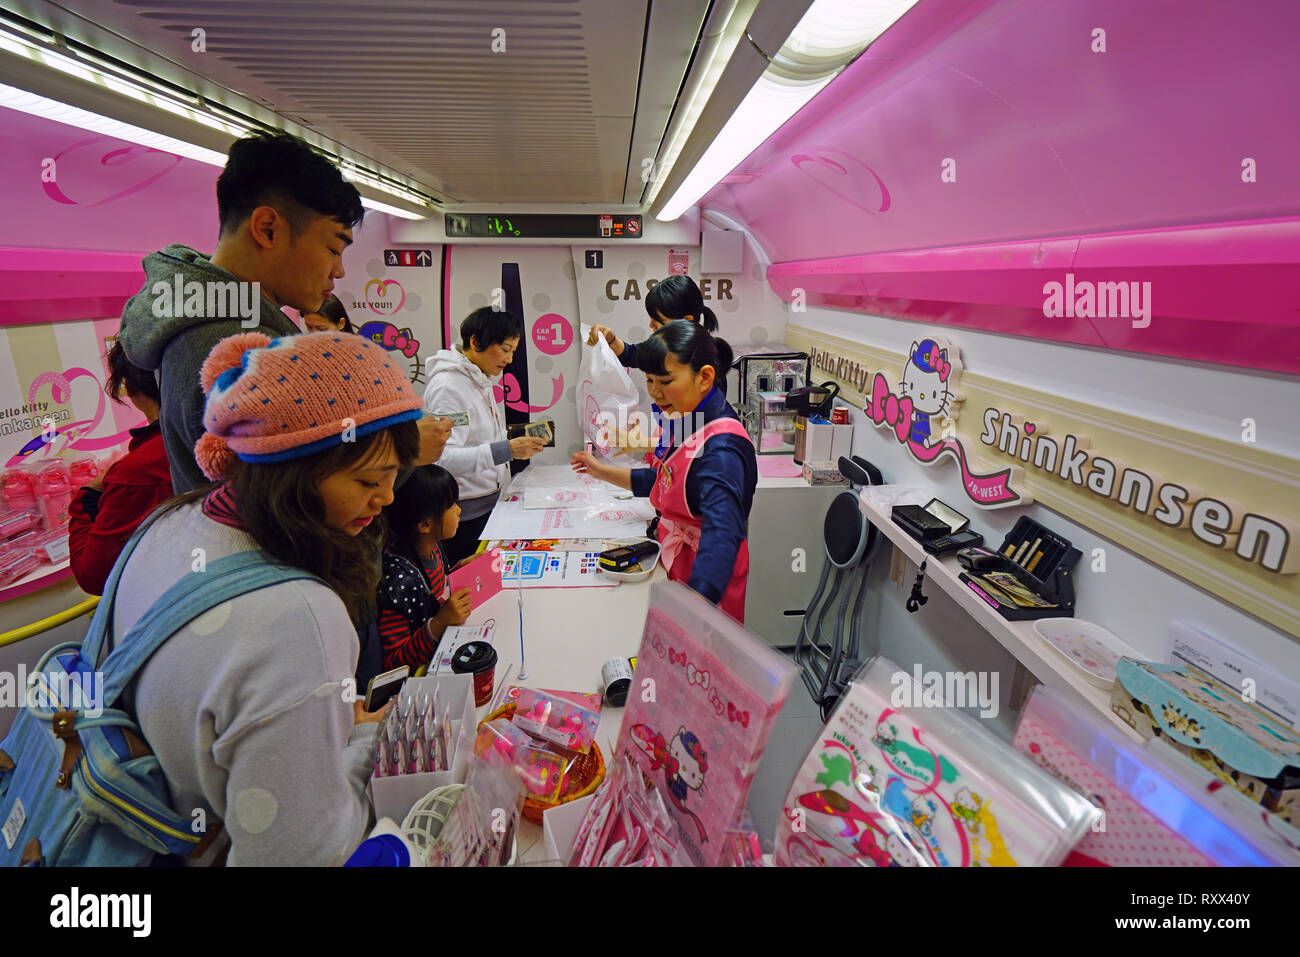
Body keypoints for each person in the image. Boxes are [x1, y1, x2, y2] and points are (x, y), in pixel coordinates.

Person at [109, 330, 425, 865]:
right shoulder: (297, 617)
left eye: (396, 476)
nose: (388, 498)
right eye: (371, 478)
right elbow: (302, 851)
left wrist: (329, 721)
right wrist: (369, 748)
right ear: (294, 475)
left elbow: (221, 708)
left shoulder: (171, 524)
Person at [117, 129, 449, 493]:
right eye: (333, 248)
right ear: (268, 229)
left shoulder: (212, 320)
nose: (338, 270)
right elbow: (292, 499)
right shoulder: (230, 346)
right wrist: (403, 452)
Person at [571, 322, 756, 622]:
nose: (655, 393)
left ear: (705, 377)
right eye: (649, 381)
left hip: (706, 580)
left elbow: (721, 536)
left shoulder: (722, 450)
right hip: (676, 561)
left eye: (666, 381)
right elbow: (667, 482)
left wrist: (696, 604)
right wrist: (599, 470)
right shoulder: (687, 417)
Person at [423, 307, 546, 565]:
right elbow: (441, 458)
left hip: (490, 505)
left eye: (513, 351)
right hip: (464, 516)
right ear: (476, 341)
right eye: (505, 349)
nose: (510, 359)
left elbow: (480, 435)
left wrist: (518, 439)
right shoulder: (449, 387)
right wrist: (507, 450)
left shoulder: (478, 377)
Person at [66, 341, 174, 596]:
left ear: (130, 386)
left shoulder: (136, 473)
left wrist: (88, 494)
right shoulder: (225, 438)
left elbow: (94, 578)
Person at [377, 464, 473, 673]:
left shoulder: (432, 546)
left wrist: (461, 569)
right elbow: (392, 664)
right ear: (425, 524)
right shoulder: (397, 582)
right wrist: (439, 625)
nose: (459, 510)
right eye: (451, 505)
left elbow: (438, 588)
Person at [585, 274, 719, 369]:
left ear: (686, 321)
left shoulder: (705, 361)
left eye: (658, 321)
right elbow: (631, 355)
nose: (651, 326)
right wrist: (610, 339)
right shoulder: (665, 346)